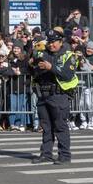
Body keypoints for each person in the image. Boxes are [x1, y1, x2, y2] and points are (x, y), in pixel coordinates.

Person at [31, 31, 79, 165]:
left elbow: (67, 74)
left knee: (60, 126)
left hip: (58, 95)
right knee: (46, 127)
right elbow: (33, 71)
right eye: (49, 42)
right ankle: (46, 154)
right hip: (43, 94)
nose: (51, 45)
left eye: (54, 42)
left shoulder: (69, 55)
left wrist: (50, 67)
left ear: (60, 42)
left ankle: (64, 155)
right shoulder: (42, 54)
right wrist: (31, 64)